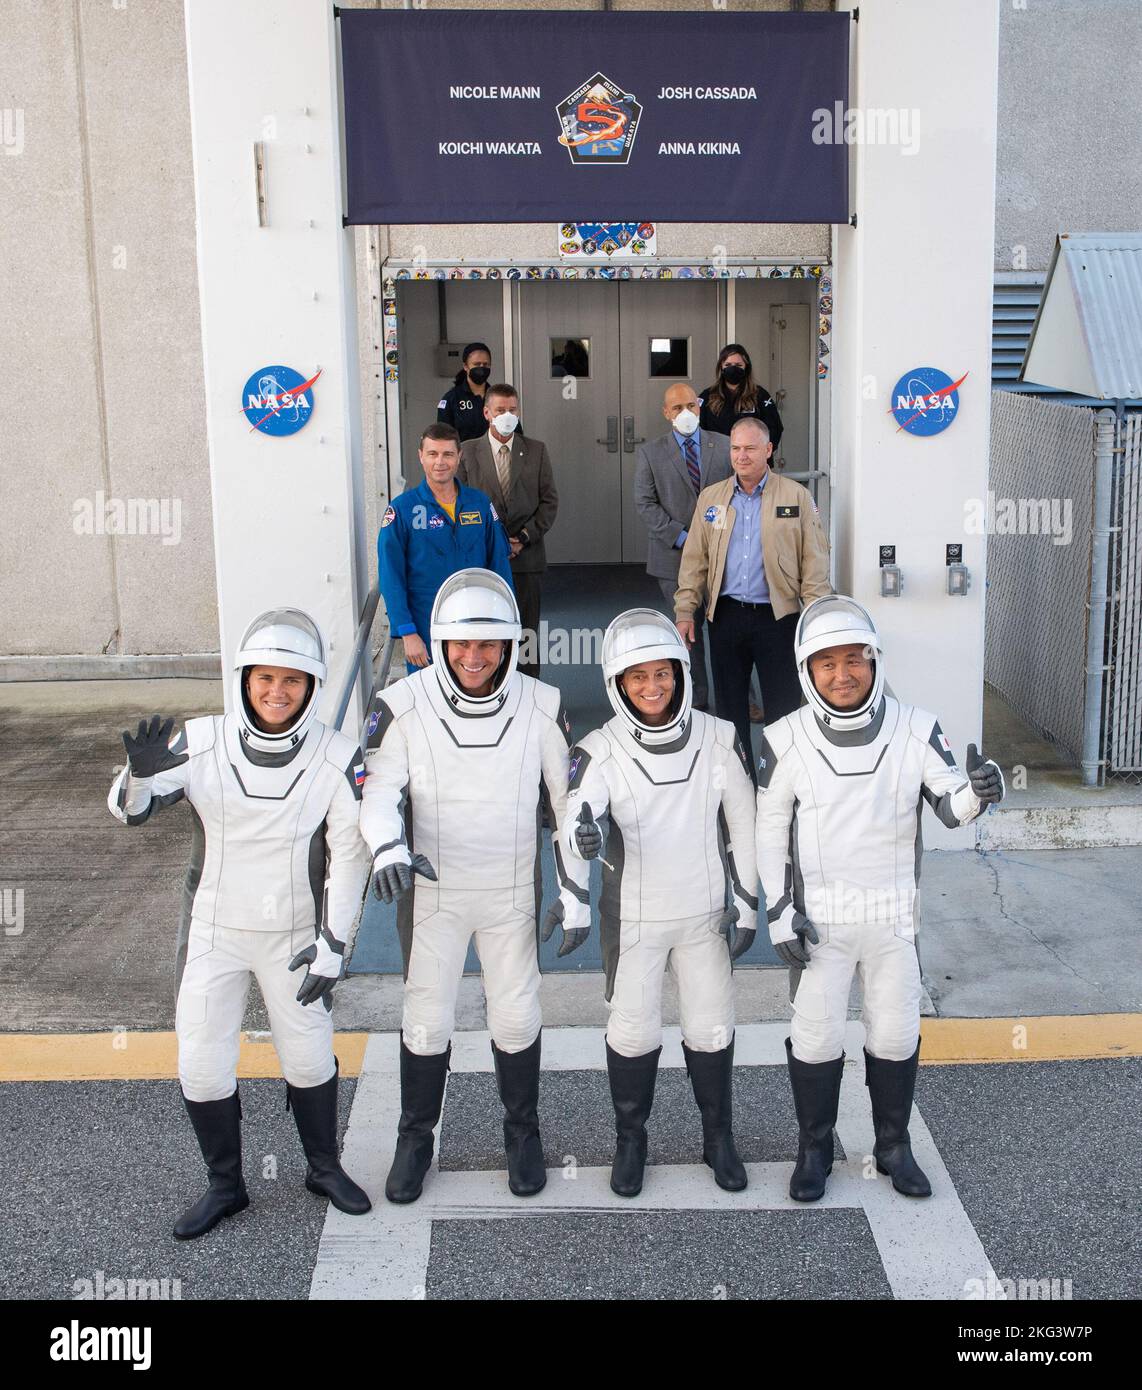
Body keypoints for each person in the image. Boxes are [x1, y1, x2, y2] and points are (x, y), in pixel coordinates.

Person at [107, 609, 372, 1239]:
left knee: (308, 1057)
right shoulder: (201, 741)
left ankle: (323, 1167)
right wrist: (135, 779)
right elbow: (128, 813)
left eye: (292, 681)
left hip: (295, 938)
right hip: (214, 931)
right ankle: (225, 1185)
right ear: (244, 679)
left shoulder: (338, 757)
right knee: (200, 1061)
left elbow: (350, 859)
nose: (276, 693)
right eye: (264, 679)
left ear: (311, 686)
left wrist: (335, 945)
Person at [756, 595, 1006, 1204]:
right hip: (822, 924)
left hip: (893, 920)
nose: (843, 675)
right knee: (815, 1038)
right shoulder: (782, 738)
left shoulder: (917, 727)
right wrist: (779, 911)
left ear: (875, 660)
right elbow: (767, 830)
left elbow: (950, 805)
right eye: (827, 663)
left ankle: (893, 1146)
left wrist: (980, 793)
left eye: (855, 659)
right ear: (806, 671)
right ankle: (814, 1149)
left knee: (893, 1036)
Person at [360, 569, 583, 1205]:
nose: (475, 657)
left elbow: (568, 804)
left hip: (510, 887)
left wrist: (575, 889)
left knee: (516, 1015)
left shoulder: (542, 704)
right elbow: (378, 791)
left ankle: (523, 1135)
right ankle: (415, 1138)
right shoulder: (401, 706)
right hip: (435, 892)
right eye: (462, 644)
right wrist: (386, 846)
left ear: (511, 644)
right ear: (441, 641)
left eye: (489, 644)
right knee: (426, 1019)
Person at [559, 611, 758, 1198]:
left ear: (681, 672)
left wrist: (746, 904)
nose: (652, 687)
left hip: (704, 914)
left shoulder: (720, 738)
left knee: (711, 1026)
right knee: (633, 1030)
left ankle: (717, 1136)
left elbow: (745, 825)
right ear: (616, 682)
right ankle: (631, 1140)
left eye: (663, 673)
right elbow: (574, 817)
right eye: (636, 676)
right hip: (635, 920)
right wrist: (582, 839)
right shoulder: (598, 749)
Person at [674, 416, 831, 775]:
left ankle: (782, 781)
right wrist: (686, 610)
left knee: (784, 708)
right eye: (735, 448)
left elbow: (814, 562)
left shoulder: (796, 496)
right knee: (729, 711)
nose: (741, 456)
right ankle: (739, 782)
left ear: (768, 450)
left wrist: (818, 618)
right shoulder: (711, 499)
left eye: (750, 448)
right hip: (726, 618)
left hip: (779, 618)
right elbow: (695, 560)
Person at [378, 422, 514, 672]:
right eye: (432, 454)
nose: (440, 462)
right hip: (425, 626)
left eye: (448, 454)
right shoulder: (402, 509)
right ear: (421, 456)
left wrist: (506, 623)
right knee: (428, 700)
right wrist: (407, 632)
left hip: (477, 623)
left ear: (459, 457)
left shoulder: (480, 504)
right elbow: (390, 576)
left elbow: (499, 567)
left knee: (478, 696)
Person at [633, 382, 732, 711]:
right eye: (677, 408)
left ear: (699, 407)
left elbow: (741, 495)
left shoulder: (725, 445)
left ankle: (741, 698)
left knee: (728, 632)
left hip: (724, 557)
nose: (685, 413)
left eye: (691, 405)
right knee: (689, 635)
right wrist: (683, 537)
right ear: (666, 413)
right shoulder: (651, 453)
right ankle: (698, 700)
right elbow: (645, 503)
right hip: (672, 558)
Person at [458, 383, 559, 679]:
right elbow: (460, 505)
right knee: (487, 630)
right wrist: (496, 543)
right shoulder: (467, 451)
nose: (507, 415)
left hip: (526, 558)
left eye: (512, 410)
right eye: (500, 410)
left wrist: (524, 538)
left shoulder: (536, 451)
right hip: (483, 560)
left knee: (526, 632)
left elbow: (549, 501)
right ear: (487, 412)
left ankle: (529, 691)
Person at [698, 342, 783, 449]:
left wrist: (763, 454)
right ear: (721, 367)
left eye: (738, 365)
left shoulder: (760, 395)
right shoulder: (707, 397)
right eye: (728, 365)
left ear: (746, 367)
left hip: (752, 459)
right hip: (718, 459)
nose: (733, 369)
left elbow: (774, 428)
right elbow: (698, 432)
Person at [437, 340, 493, 442]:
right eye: (476, 364)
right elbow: (443, 438)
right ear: (465, 366)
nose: (481, 368)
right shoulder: (451, 399)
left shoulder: (498, 397)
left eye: (485, 364)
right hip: (464, 456)